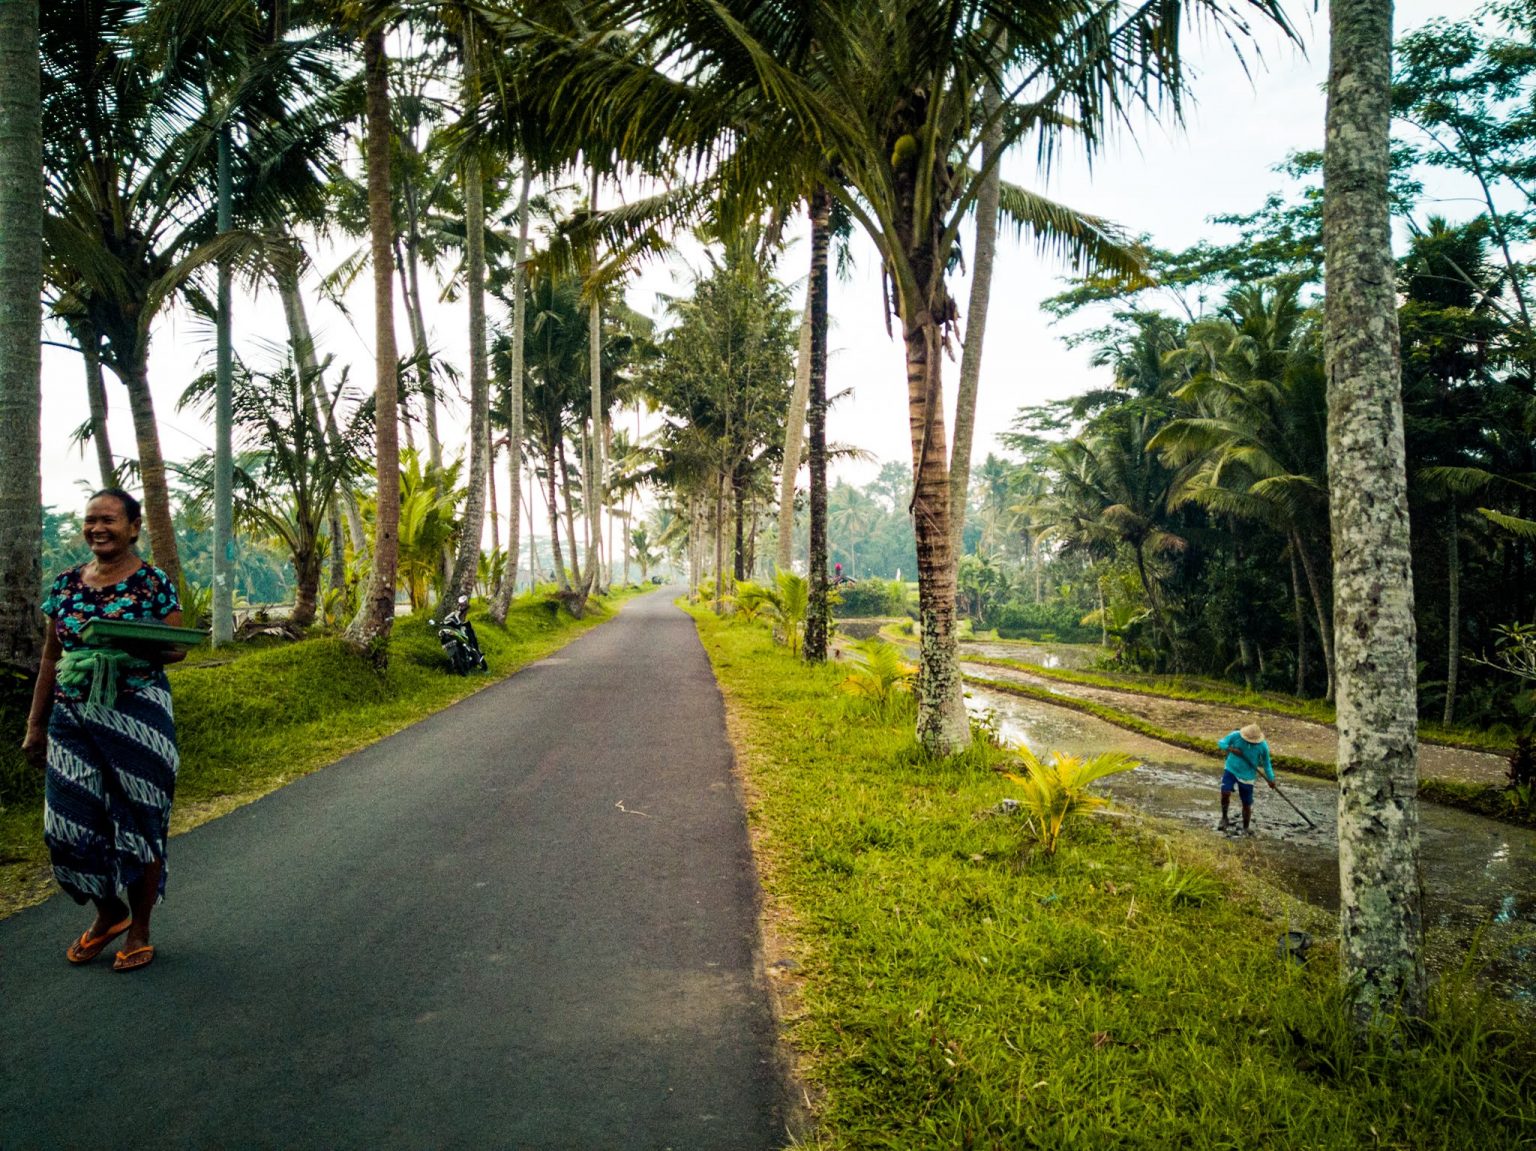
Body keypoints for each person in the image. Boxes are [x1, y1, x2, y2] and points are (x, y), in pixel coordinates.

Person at [21, 489, 186, 972]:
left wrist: (130, 642)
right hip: (72, 716)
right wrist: (36, 724)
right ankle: (110, 912)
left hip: (138, 715)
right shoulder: (65, 584)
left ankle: (139, 929)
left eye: (109, 520)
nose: (98, 528)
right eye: (91, 520)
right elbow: (51, 656)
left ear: (133, 527)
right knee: (65, 826)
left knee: (141, 820)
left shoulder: (153, 582)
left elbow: (177, 647)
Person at [1217, 722, 1276, 834]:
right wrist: (1232, 749)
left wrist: (1271, 779)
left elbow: (1267, 764)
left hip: (1248, 775)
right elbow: (1221, 743)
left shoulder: (1262, 746)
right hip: (1231, 769)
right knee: (1225, 792)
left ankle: (1246, 827)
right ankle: (1224, 818)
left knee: (1246, 803)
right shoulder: (1235, 735)